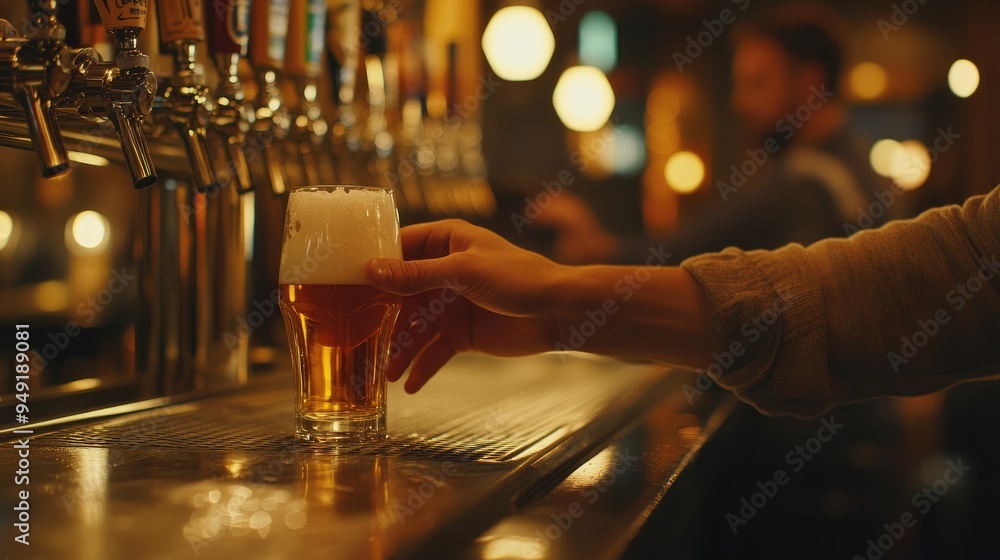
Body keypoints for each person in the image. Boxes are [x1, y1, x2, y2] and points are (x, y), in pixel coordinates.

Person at [364, 177, 1000, 418]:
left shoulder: (797, 180)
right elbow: (953, 269)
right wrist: (558, 308)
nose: (738, 99)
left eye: (756, 82)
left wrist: (563, 286)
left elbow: (924, 282)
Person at [536, 9, 887, 265]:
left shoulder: (810, 181)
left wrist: (599, 248)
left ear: (810, 83)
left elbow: (691, 252)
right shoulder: (849, 166)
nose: (739, 103)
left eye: (757, 84)